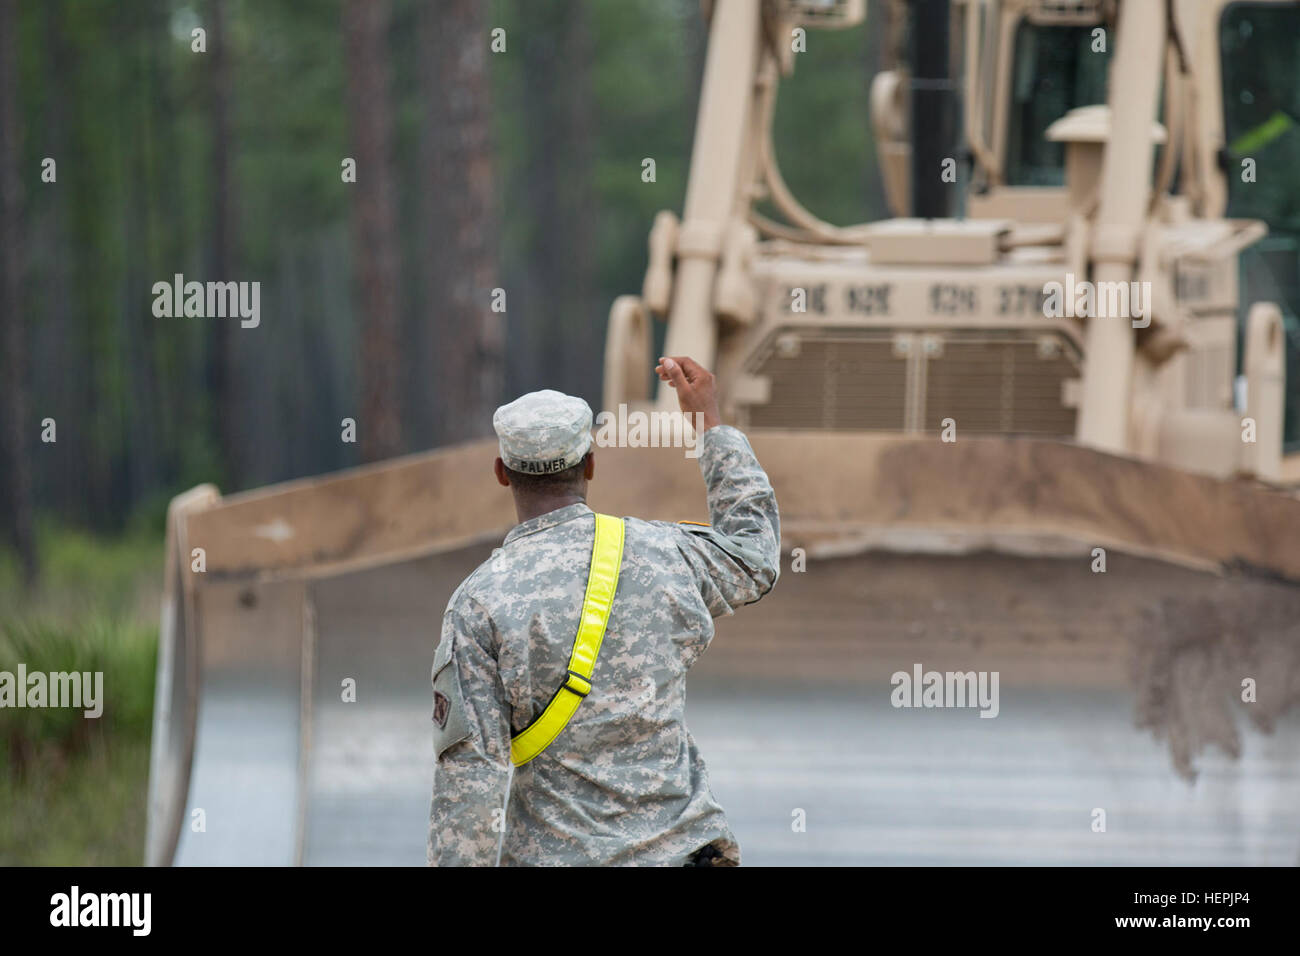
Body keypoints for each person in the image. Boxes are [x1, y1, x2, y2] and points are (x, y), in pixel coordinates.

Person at [427, 356, 780, 866]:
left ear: (502, 473)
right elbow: (755, 556)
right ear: (591, 463)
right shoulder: (665, 554)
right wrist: (709, 423)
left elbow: (471, 789)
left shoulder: (479, 604)